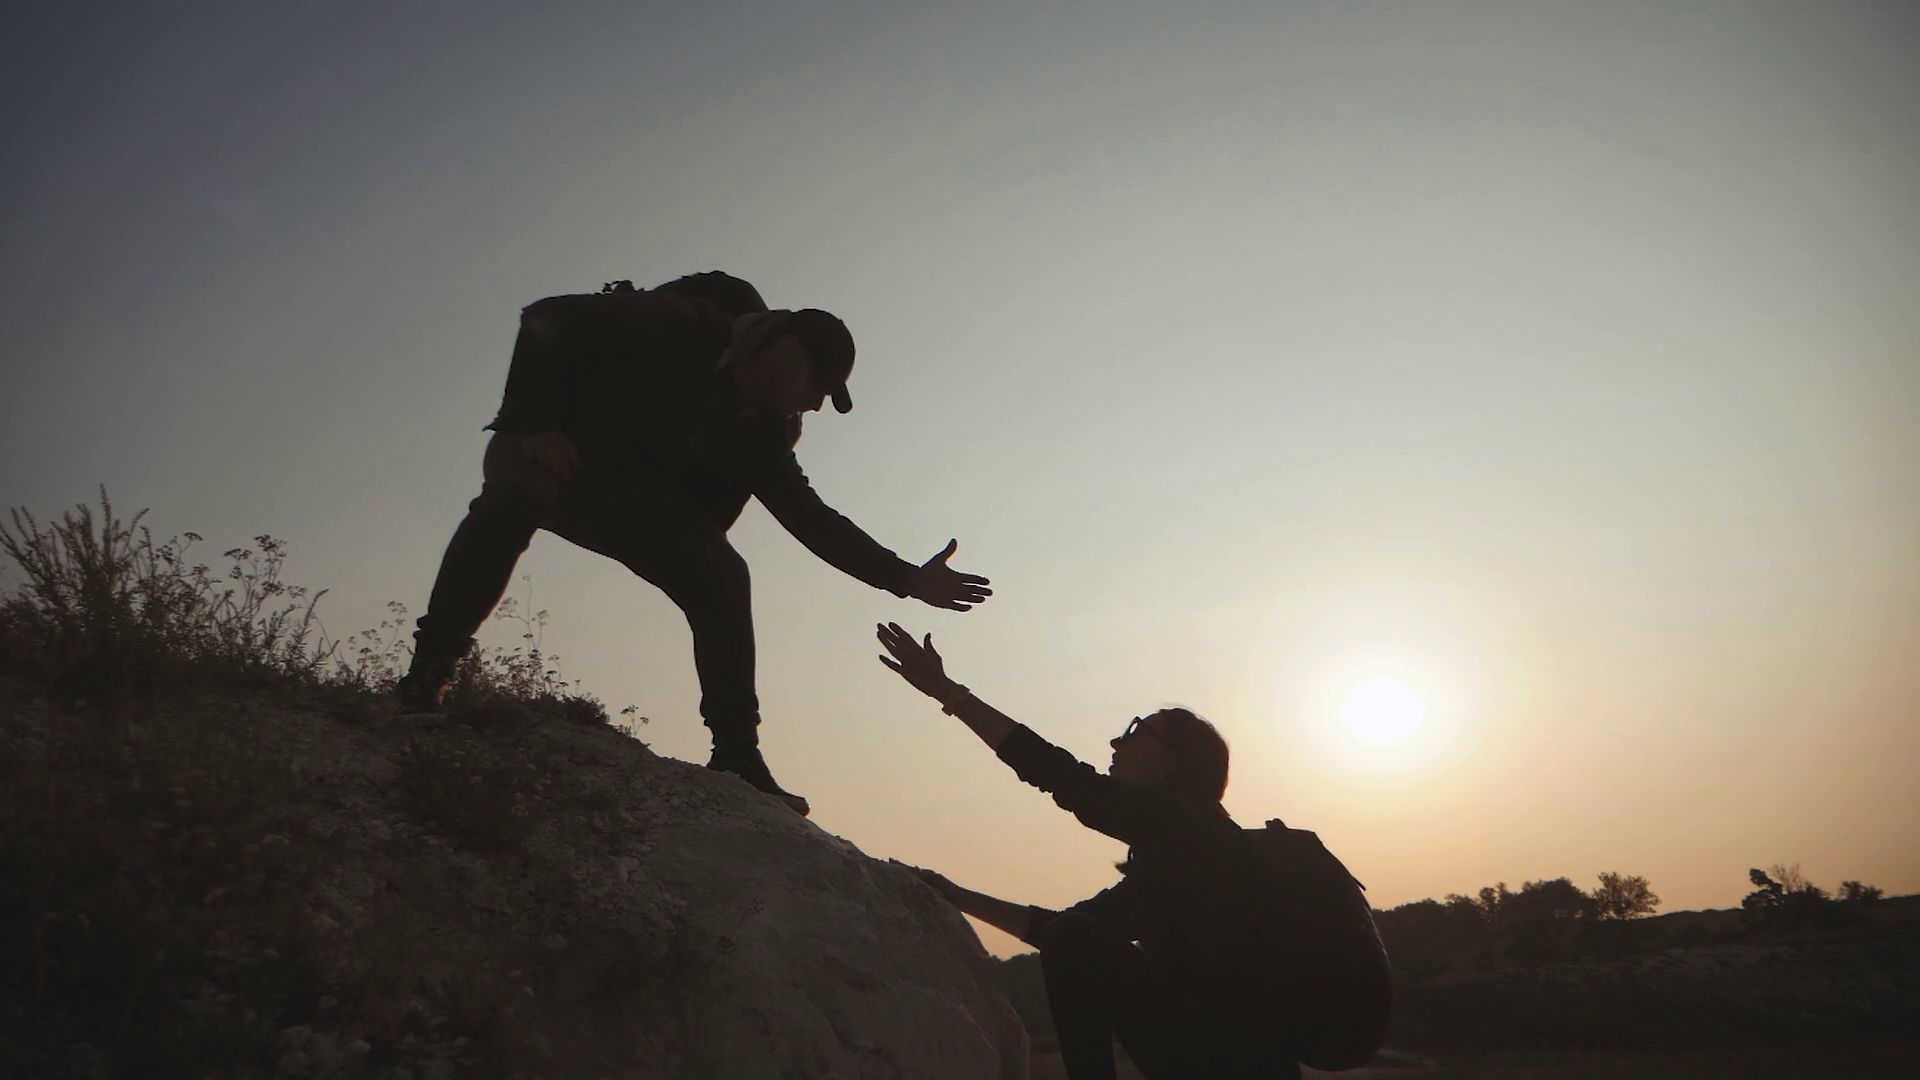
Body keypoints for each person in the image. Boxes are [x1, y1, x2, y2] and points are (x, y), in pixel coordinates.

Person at [395, 273, 991, 816]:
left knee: (723, 572)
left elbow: (813, 520)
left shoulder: (767, 432)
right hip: (553, 448)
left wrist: (909, 579)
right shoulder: (682, 323)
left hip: (634, 500)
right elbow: (547, 317)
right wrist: (537, 419)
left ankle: (737, 753)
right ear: (785, 349)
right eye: (817, 385)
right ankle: (428, 677)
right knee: (514, 498)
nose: (814, 404)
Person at [875, 622, 1391, 1079]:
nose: (1115, 745)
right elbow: (1057, 935)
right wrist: (956, 896)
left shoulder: (1190, 839)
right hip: (1249, 1063)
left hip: (1231, 1060)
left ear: (1172, 766)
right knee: (1076, 935)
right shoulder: (1181, 861)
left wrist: (949, 693)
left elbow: (1057, 774)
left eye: (1135, 731)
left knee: (1078, 936)